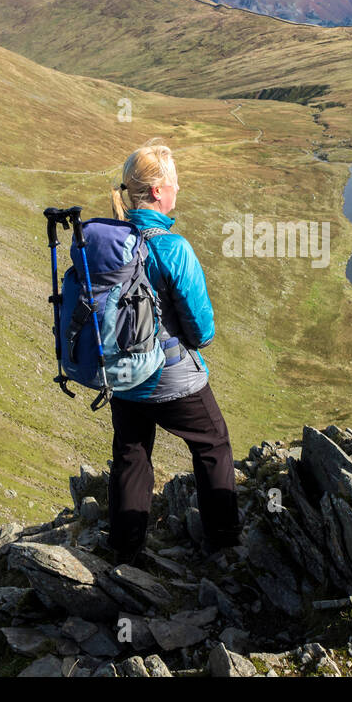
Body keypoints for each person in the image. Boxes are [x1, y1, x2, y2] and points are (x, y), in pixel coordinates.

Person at [105, 140, 241, 566]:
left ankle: (124, 551)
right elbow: (201, 331)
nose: (178, 188)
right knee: (213, 444)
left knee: (131, 453)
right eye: (175, 182)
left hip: (123, 374)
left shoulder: (108, 242)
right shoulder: (171, 246)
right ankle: (224, 544)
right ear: (159, 190)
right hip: (170, 375)